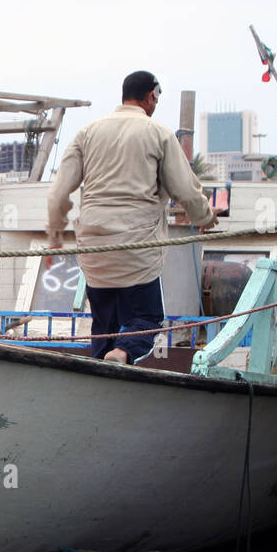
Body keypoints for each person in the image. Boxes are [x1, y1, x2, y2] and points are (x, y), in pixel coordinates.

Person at [45, 71, 216, 364]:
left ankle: (103, 367)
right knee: (145, 319)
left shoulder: (87, 134)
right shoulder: (158, 133)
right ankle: (123, 353)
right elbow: (186, 190)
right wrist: (205, 217)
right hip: (137, 251)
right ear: (152, 96)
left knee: (103, 329)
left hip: (95, 252)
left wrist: (55, 235)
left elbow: (58, 193)